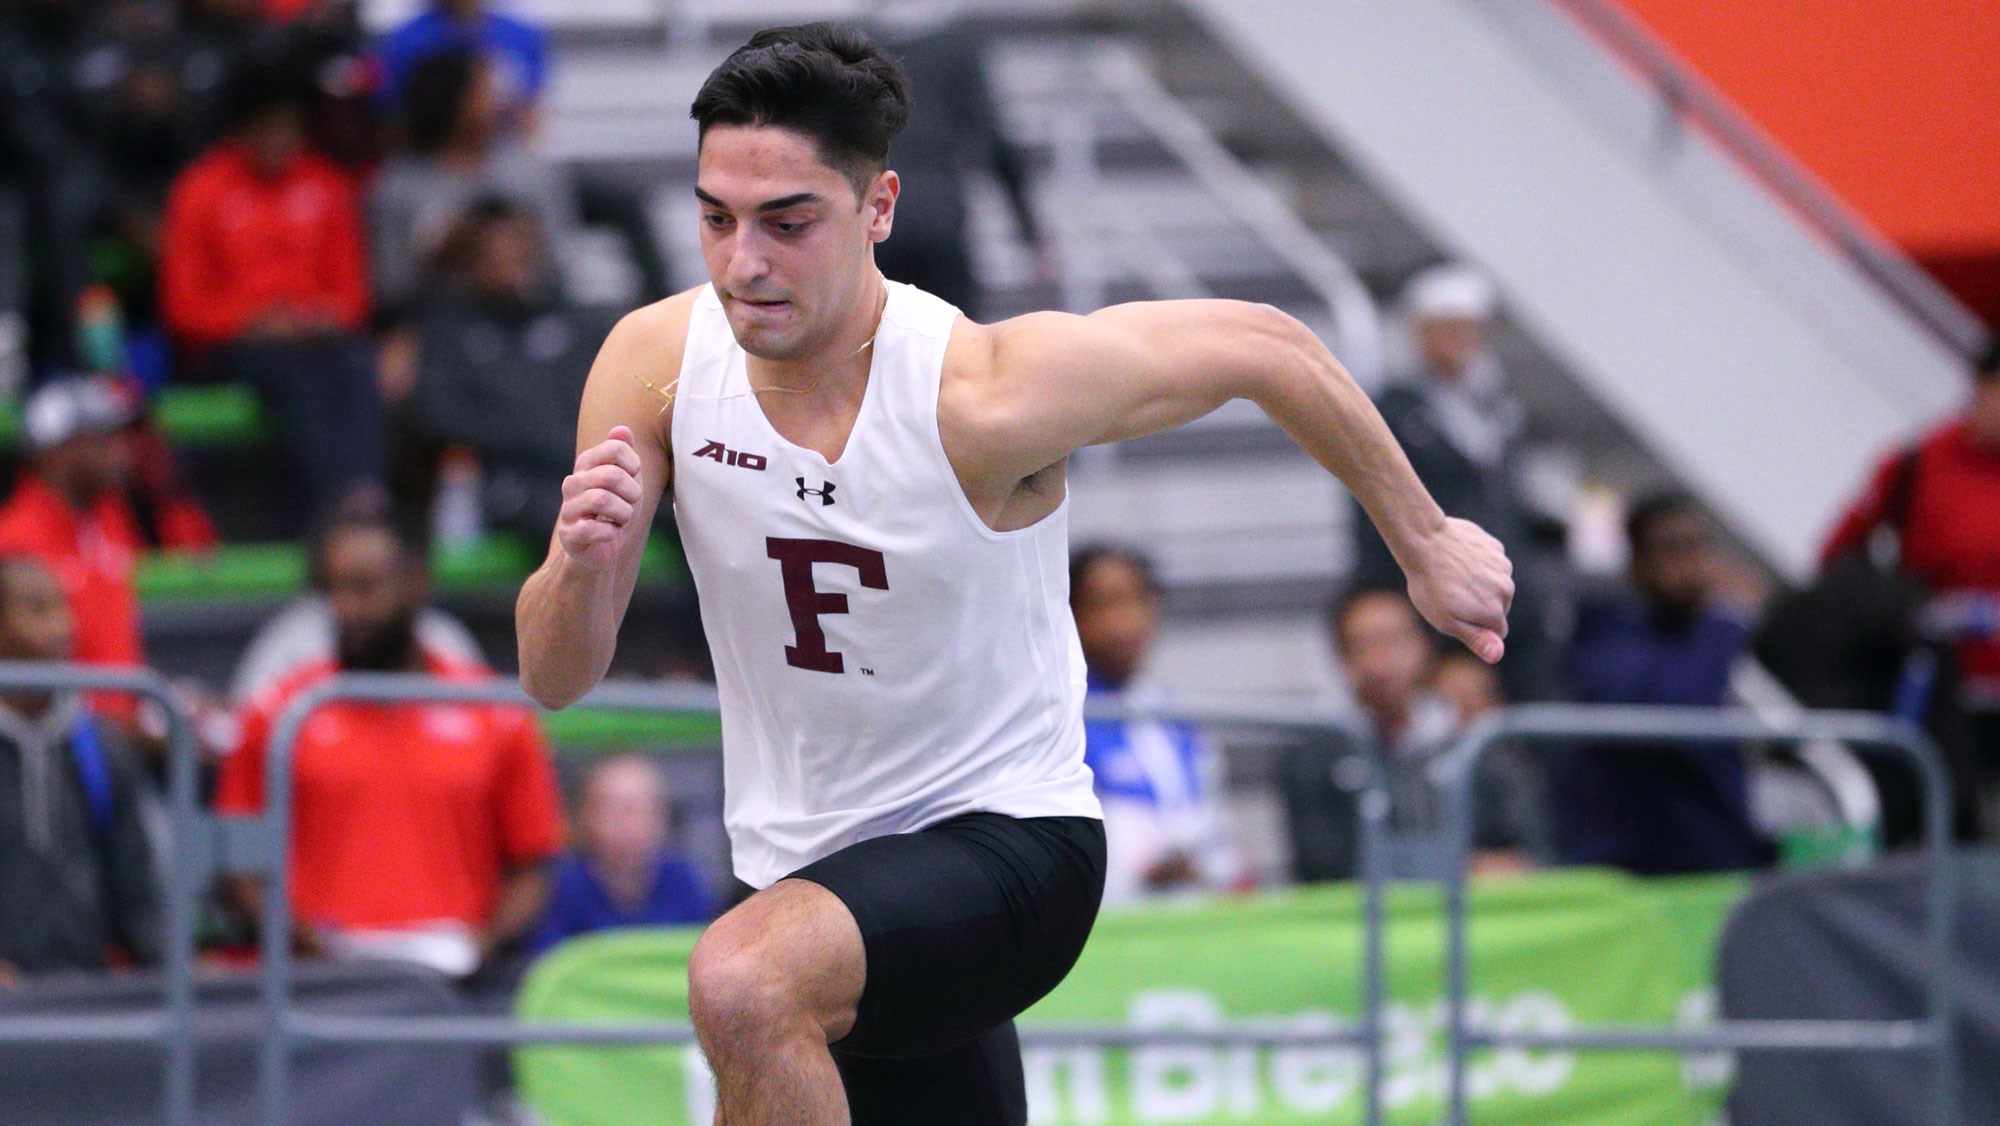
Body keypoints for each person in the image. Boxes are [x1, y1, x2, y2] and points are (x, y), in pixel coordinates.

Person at [513, 24, 1512, 1125]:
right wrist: (581, 564)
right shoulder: (656, 367)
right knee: (771, 993)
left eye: (787, 224)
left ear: (878, 207)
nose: (743, 264)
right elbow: (555, 677)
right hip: (807, 867)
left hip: (1006, 843)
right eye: (716, 219)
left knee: (745, 983)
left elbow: (1266, 345)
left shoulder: (982, 394)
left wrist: (1425, 539)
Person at [218, 506, 565, 977]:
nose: (345, 608)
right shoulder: (278, 713)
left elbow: (534, 864)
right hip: (315, 982)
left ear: (415, 584)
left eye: (364, 587)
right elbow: (238, 866)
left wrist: (481, 947)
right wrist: (308, 944)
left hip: (455, 982)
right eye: (333, 590)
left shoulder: (495, 711)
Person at [157, 55, 382, 521]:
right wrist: (252, 323)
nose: (281, 137)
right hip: (233, 348)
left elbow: (353, 295)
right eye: (269, 125)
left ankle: (367, 496)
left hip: (316, 338)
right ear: (242, 127)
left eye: (290, 125)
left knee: (357, 367)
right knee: (293, 378)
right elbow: (182, 306)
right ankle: (330, 513)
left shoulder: (326, 183)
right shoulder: (201, 189)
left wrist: (321, 317)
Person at [1351, 263, 1561, 702]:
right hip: (1441, 617)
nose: (1460, 340)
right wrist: (1430, 646)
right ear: (1420, 333)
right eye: (1447, 328)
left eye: (1468, 329)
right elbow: (1377, 525)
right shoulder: (1393, 413)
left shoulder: (1495, 409)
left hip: (1511, 608)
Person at [1552, 493, 1769, 875]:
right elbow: (1676, 708)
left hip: (1719, 855)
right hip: (1625, 863)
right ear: (1637, 562)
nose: (1691, 564)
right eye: (1672, 548)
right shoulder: (1603, 633)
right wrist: (1728, 627)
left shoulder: (1725, 632)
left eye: (1699, 546)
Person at [1284, 587, 1540, 882]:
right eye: (1362, 645)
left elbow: (1528, 846)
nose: (1381, 661)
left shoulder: (1475, 740)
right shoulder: (1316, 755)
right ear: (1342, 658)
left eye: (1394, 640)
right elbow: (1320, 868)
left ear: (1425, 644)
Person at [0, 554, 162, 978]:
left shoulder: (103, 748)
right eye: (38, 610)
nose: (64, 627)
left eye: (63, 608)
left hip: (86, 993)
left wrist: (176, 966)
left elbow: (137, 893)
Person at [1069, 545, 1243, 903]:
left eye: (1134, 601)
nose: (1121, 623)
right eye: (1102, 604)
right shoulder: (1061, 721)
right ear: (1070, 614)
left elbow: (1213, 829)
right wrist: (1149, 870)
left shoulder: (1178, 719)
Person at [368, 48, 576, 319]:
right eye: (483, 92)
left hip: (526, 321)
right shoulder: (398, 187)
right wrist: (445, 251)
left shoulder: (531, 173)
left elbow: (559, 266)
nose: (496, 102)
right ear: (450, 100)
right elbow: (388, 288)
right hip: (434, 325)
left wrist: (517, 251)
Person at [0, 377, 146, 680]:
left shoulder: (110, 518)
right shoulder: (12, 538)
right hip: (56, 708)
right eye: (101, 439)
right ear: (56, 451)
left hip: (124, 698)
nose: (120, 450)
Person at [532, 754, 714, 955]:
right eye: (613, 809)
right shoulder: (559, 890)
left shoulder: (685, 884)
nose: (631, 824)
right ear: (583, 818)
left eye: (644, 809)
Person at [375, 0, 547, 134]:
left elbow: (531, 109)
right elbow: (392, 115)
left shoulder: (522, 37)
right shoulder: (406, 41)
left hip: (505, 152)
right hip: (431, 154)